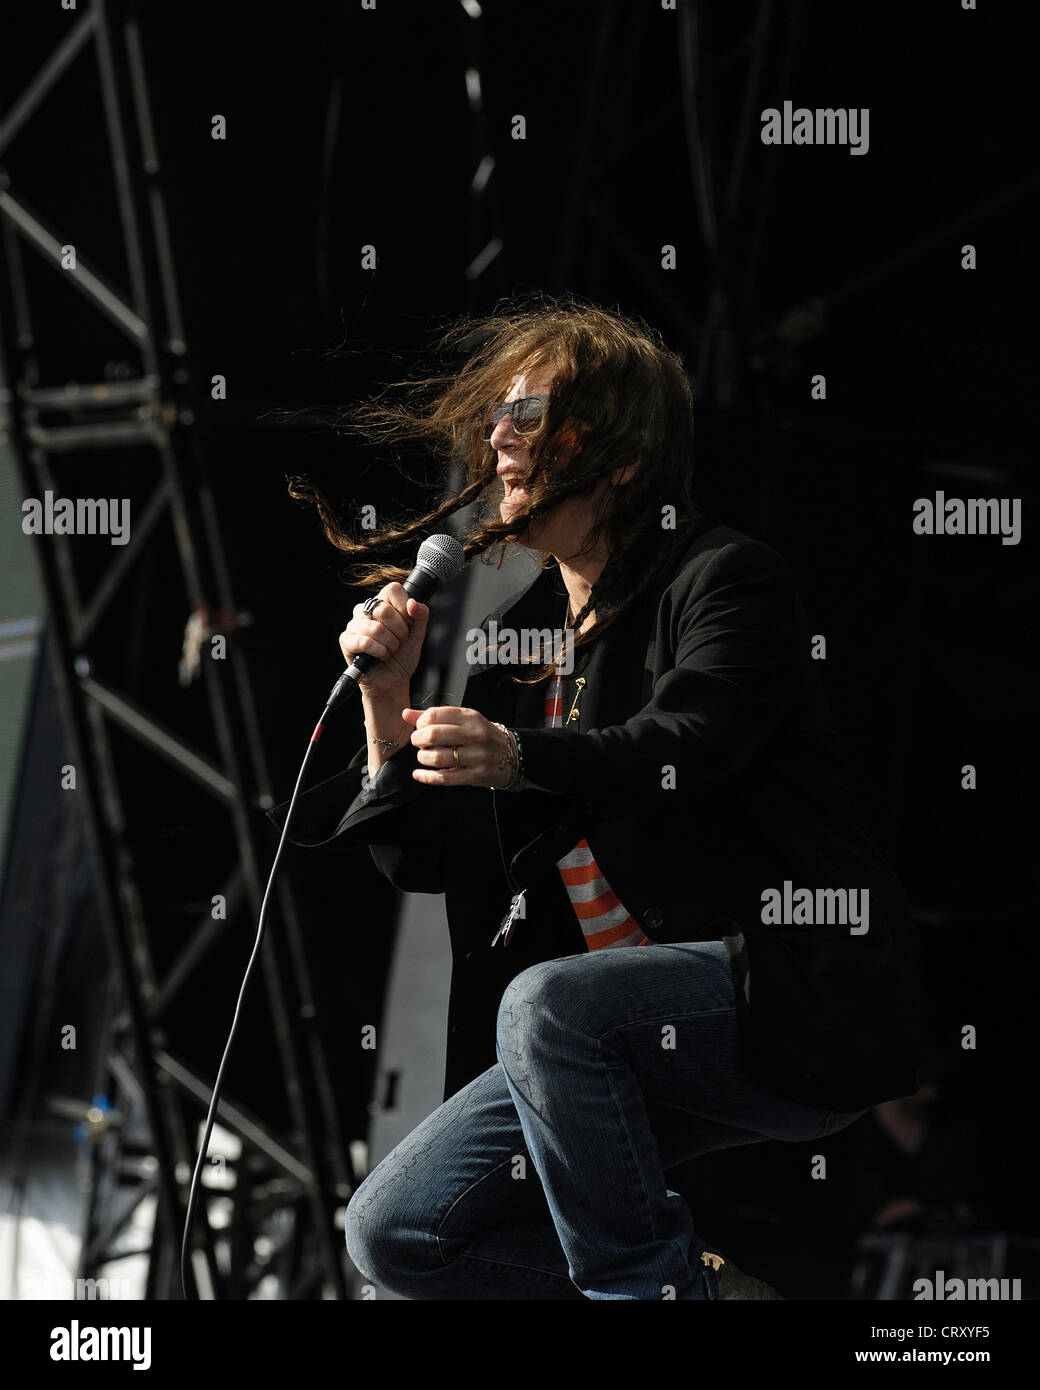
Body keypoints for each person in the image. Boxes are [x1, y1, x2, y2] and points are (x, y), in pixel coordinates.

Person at [269, 297, 926, 1300]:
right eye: (496, 414)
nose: (494, 437)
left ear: (615, 456)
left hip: (789, 990)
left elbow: (686, 743)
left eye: (525, 414)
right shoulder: (522, 642)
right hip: (604, 1037)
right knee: (394, 1229)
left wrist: (522, 758)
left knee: (547, 1006)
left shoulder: (722, 578)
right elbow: (420, 856)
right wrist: (385, 697)